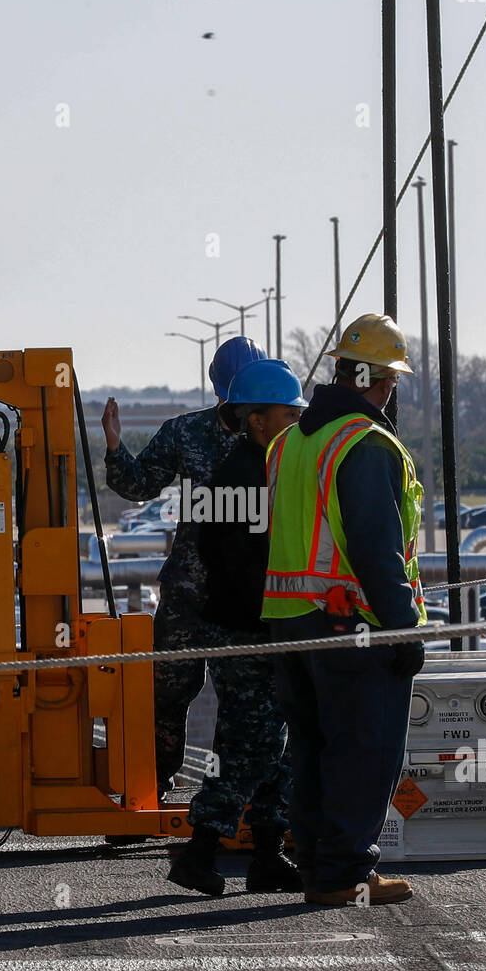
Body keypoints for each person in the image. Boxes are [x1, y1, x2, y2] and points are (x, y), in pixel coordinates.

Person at [261, 315, 427, 906]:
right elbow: (376, 549)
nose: (390, 395)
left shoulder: (289, 442)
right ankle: (345, 874)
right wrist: (403, 630)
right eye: (390, 384)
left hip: (289, 621)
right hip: (353, 622)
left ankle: (318, 867)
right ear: (378, 382)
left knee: (311, 748)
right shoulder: (365, 444)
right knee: (364, 749)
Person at [102, 336, 265, 795]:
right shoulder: (186, 432)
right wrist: (116, 447)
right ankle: (151, 782)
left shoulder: (278, 435)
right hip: (190, 591)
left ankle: (232, 794)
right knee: (166, 691)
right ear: (219, 391)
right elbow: (139, 484)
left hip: (249, 593)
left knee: (244, 699)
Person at [168, 360, 306, 896]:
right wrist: (270, 620)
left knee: (277, 742)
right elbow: (235, 562)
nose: (296, 421)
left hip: (265, 629)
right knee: (254, 744)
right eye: (288, 413)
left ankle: (267, 854)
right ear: (257, 420)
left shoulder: (267, 469)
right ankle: (200, 851)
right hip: (249, 632)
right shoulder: (245, 477)